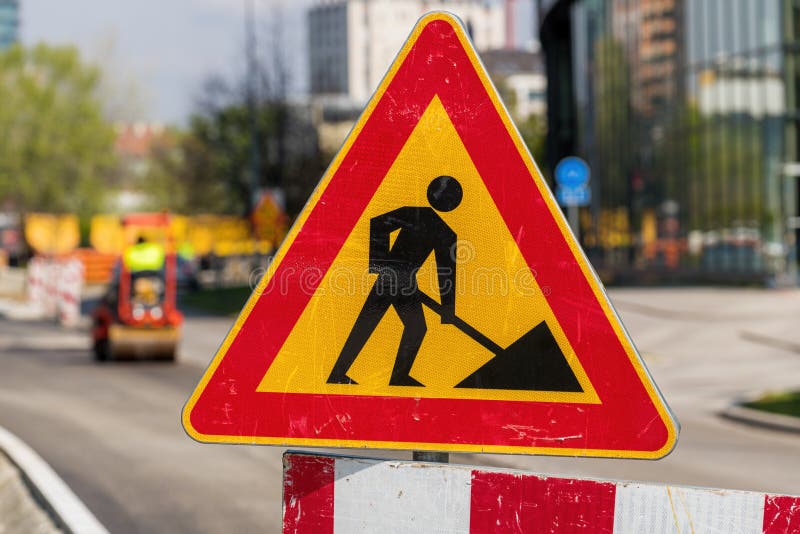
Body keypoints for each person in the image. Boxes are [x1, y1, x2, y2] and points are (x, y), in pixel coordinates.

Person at [327, 175, 463, 386]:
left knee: (400, 326)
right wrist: (380, 265)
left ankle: (392, 377)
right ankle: (345, 375)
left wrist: (448, 309)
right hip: (394, 278)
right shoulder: (432, 223)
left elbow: (446, 271)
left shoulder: (441, 229)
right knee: (372, 324)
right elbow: (378, 224)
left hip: (404, 281)